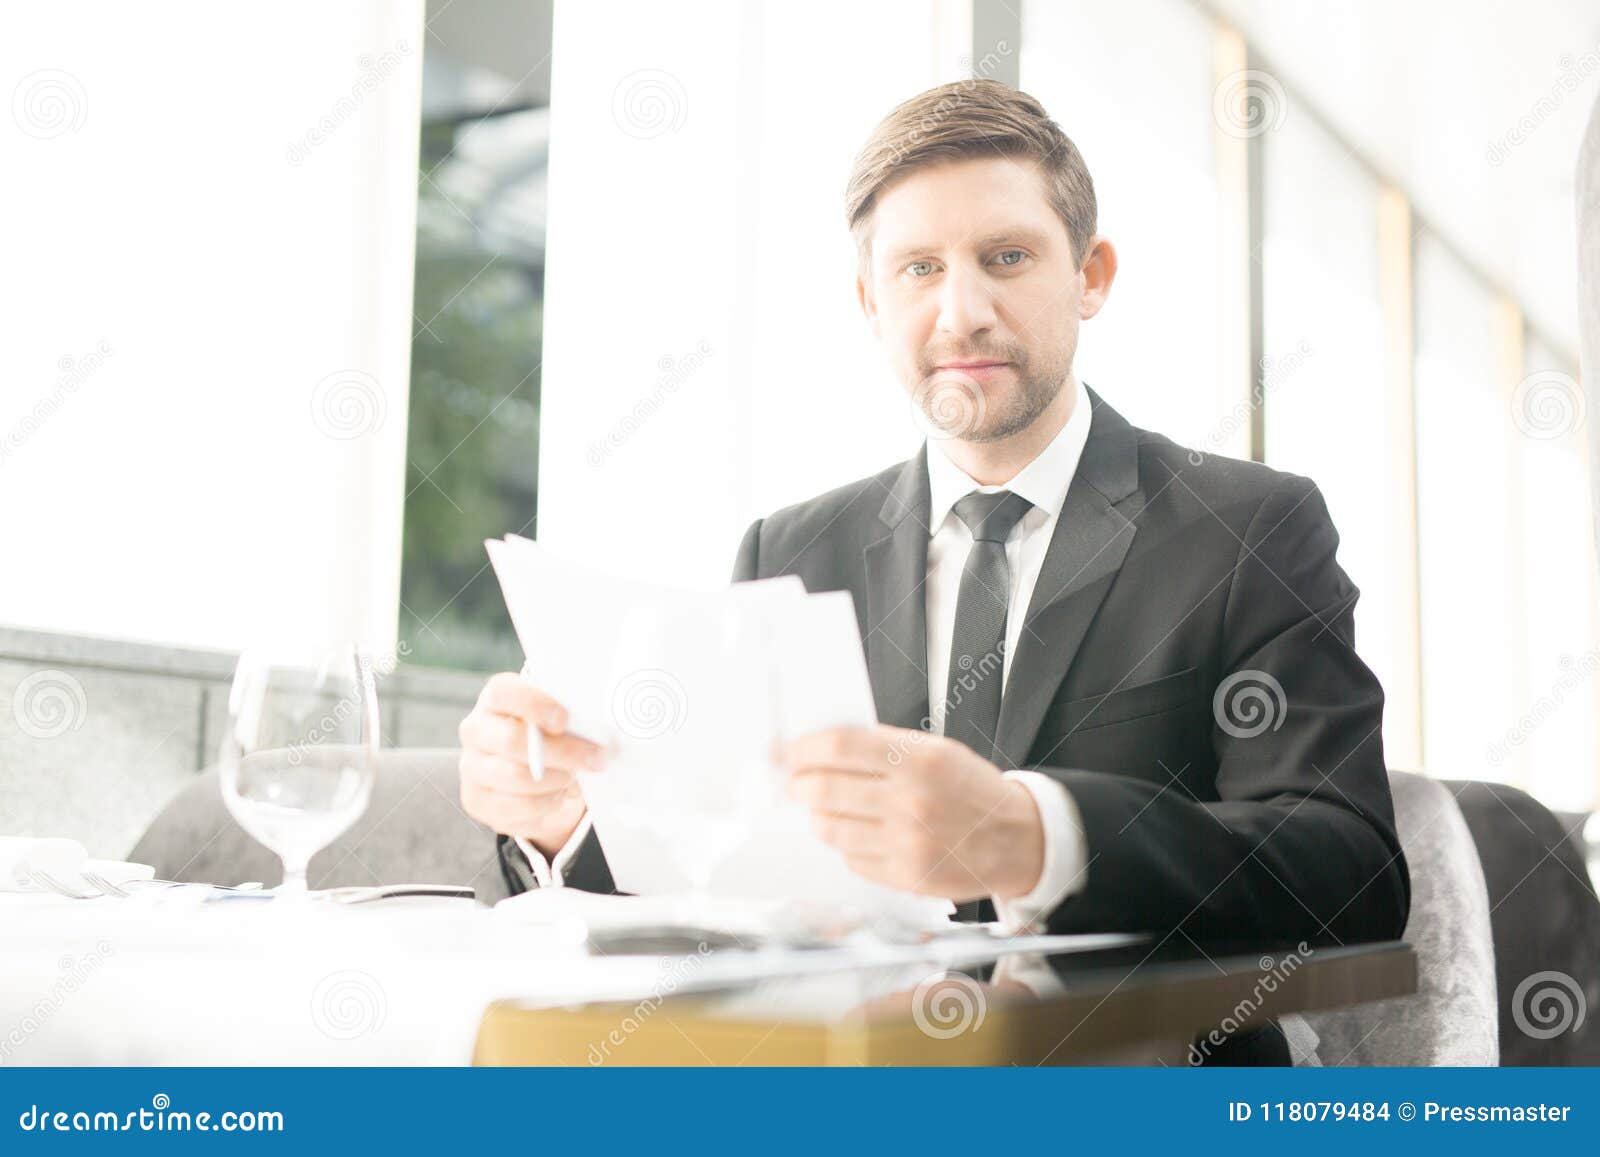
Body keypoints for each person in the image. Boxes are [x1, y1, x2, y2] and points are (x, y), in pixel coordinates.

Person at [458, 79, 1410, 958]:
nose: (961, 314)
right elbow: (729, 880)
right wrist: (564, 822)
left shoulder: (1247, 526)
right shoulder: (792, 549)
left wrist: (1032, 836)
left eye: (1006, 257)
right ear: (872, 301)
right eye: (918, 268)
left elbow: (1348, 871)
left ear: (1091, 275)